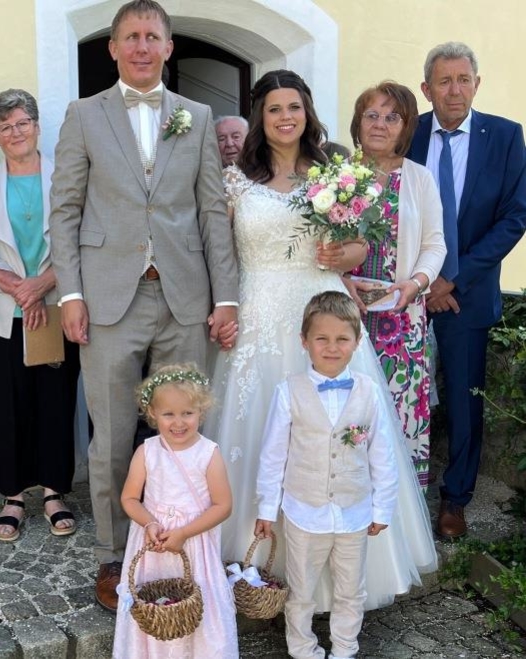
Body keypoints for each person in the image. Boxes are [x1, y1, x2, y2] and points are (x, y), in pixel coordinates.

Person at [205, 69, 437, 611]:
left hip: (325, 309)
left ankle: (341, 580)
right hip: (260, 313)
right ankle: (258, 566)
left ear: (307, 112)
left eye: (295, 107)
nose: (286, 117)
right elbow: (220, 254)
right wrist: (224, 307)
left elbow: (359, 247)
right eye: (274, 109)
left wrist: (344, 256)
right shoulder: (236, 178)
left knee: (338, 431)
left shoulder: (335, 169)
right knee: (263, 430)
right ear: (261, 118)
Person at [48, 0, 239, 612]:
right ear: (112, 48)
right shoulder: (83, 115)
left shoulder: (198, 116)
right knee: (108, 434)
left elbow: (212, 211)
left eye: (151, 36)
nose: (140, 45)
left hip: (184, 297)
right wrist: (70, 294)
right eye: (129, 36)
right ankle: (112, 551)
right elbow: (66, 210)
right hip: (107, 300)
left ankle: (183, 545)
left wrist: (226, 295)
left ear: (167, 46)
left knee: (184, 431)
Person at [408, 42, 526, 540]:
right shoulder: (405, 131)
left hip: (466, 295)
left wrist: (451, 279)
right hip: (406, 292)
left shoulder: (504, 136)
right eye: (443, 81)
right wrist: (423, 281)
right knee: (403, 397)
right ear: (426, 88)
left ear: (477, 83)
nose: (454, 90)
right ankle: (402, 495)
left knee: (462, 401)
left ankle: (455, 500)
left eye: (463, 79)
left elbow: (513, 217)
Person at [256, 291, 399, 659]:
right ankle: (302, 647)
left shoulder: (368, 392)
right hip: (305, 511)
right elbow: (273, 455)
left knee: (351, 590)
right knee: (301, 590)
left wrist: (382, 509)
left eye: (342, 339)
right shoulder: (289, 392)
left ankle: (345, 649)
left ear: (357, 341)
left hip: (354, 513)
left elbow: (382, 454)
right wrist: (267, 508)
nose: (332, 347)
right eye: (322, 338)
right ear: (305, 342)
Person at [0, 89, 80, 541]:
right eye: (4, 127)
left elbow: (81, 241)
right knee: (8, 403)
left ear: (38, 127)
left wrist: (43, 284)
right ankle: (14, 495)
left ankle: (56, 491)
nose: (14, 132)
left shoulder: (67, 179)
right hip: (4, 308)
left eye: (22, 123)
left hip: (56, 305)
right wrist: (7, 281)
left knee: (55, 401)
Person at [344, 81, 446, 492]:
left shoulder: (420, 179)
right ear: (358, 122)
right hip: (346, 316)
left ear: (406, 127)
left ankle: (395, 519)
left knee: (397, 412)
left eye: (392, 117)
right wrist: (340, 280)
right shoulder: (338, 175)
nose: (381, 125)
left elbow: (435, 244)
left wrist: (417, 284)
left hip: (402, 319)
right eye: (372, 115)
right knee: (348, 411)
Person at [114, 364, 238, 658]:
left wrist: (184, 532)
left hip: (194, 542)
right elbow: (130, 498)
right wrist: (149, 524)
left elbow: (223, 505)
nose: (179, 422)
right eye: (169, 414)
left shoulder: (209, 453)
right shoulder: (147, 451)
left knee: (197, 606)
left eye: (188, 413)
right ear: (153, 415)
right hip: (153, 543)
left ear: (201, 412)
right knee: (154, 607)